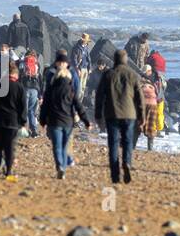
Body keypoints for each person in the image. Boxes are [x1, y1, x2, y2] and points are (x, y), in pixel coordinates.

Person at [95, 49, 144, 184]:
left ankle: (115, 173)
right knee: (128, 141)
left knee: (113, 143)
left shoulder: (108, 75)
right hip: (130, 114)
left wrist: (98, 116)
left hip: (112, 113)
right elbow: (140, 99)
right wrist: (142, 117)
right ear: (126, 59)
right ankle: (127, 163)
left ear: (114, 59)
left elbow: (99, 97)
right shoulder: (132, 75)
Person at [38, 51, 90, 178]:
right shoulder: (70, 87)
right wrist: (85, 120)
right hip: (67, 120)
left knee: (57, 145)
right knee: (64, 144)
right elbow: (78, 103)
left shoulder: (51, 84)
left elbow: (45, 105)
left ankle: (61, 165)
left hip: (54, 120)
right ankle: (65, 163)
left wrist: (42, 120)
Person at [0, 64, 26, 180]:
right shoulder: (19, 87)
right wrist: (22, 122)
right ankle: (8, 172)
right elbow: (22, 107)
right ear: (16, 74)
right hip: (12, 122)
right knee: (9, 148)